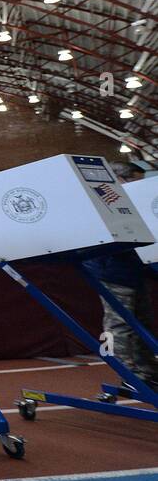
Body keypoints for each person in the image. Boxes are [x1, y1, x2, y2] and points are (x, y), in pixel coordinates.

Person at [81, 162, 158, 389]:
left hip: (134, 270)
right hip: (112, 271)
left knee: (142, 322)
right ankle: (128, 374)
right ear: (120, 179)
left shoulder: (136, 204)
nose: (140, 185)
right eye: (136, 180)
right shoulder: (102, 203)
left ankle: (147, 371)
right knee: (119, 323)